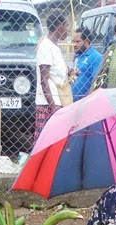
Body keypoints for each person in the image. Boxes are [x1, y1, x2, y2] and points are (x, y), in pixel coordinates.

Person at [34, 12, 70, 142]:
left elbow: (55, 73)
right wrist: (53, 107)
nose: (68, 30)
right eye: (66, 25)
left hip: (57, 103)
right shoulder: (46, 46)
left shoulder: (55, 46)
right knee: (45, 143)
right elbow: (44, 80)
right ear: (59, 26)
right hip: (48, 105)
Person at [71, 27, 102, 100]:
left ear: (87, 41)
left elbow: (96, 83)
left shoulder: (95, 57)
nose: (74, 45)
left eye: (78, 42)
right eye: (73, 41)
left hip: (85, 103)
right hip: (71, 103)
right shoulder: (77, 56)